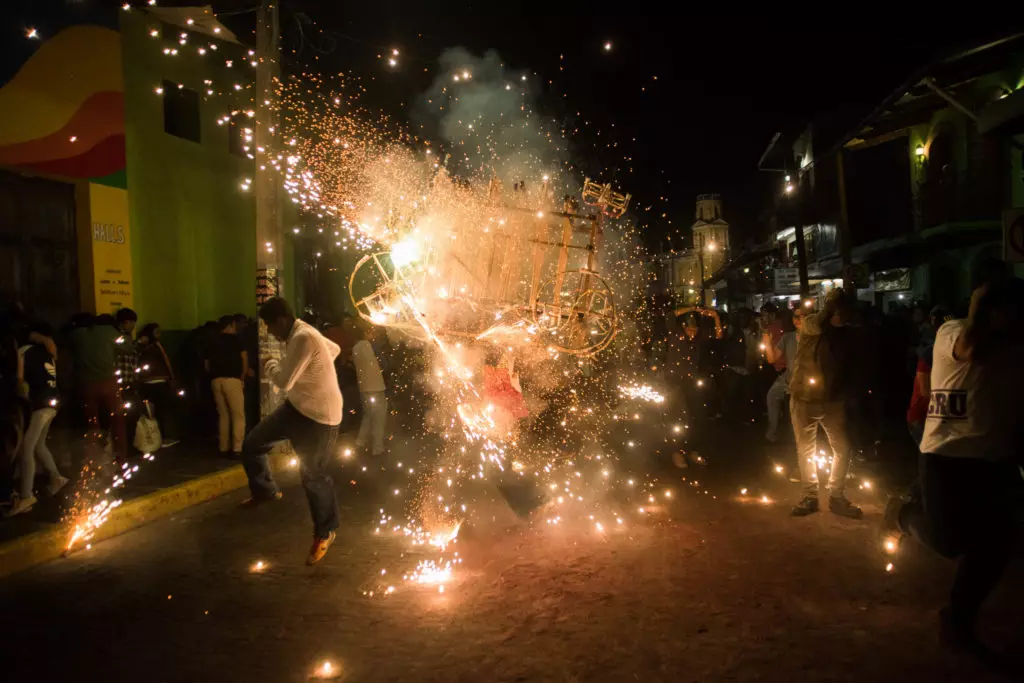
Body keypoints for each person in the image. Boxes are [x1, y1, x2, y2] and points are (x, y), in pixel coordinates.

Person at [881, 277, 1024, 655]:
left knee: (995, 546)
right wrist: (980, 304)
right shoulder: (952, 332)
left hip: (995, 459)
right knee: (949, 542)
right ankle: (904, 515)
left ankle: (958, 621)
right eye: (1003, 310)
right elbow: (972, 349)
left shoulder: (1014, 347)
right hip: (947, 457)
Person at [241, 297, 342, 565]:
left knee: (312, 475)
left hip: (321, 417)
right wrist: (313, 372)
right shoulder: (304, 333)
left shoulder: (303, 337)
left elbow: (284, 382)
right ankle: (265, 491)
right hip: (297, 408)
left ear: (282, 320)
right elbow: (334, 349)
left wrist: (271, 363)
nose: (271, 333)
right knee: (253, 443)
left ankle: (326, 530)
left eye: (270, 326)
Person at [788, 289, 862, 518]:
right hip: (804, 398)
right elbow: (818, 322)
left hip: (832, 401)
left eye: (844, 311)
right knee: (806, 449)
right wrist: (830, 304)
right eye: (838, 311)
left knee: (843, 448)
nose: (841, 316)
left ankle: (836, 496)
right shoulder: (812, 324)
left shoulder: (849, 335)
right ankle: (809, 496)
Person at [6, 322, 68, 515]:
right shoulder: (48, 353)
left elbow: (19, 380)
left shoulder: (24, 351)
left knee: (26, 449)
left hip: (39, 405)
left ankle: (26, 495)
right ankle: (56, 477)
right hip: (53, 403)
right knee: (39, 444)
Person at [70, 314, 127, 462]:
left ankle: (94, 457)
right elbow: (127, 346)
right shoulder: (109, 332)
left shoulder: (76, 335)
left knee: (92, 421)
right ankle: (120, 456)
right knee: (118, 419)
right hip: (109, 381)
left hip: (87, 383)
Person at [906, 305, 947, 446]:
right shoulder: (930, 353)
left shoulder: (934, 349)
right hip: (924, 415)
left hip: (932, 415)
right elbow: (925, 392)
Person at [206, 315, 248, 455]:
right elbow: (244, 359)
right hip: (232, 379)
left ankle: (223, 447)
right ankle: (237, 448)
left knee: (223, 415)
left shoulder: (212, 341)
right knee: (238, 415)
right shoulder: (237, 340)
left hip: (215, 380)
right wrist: (242, 377)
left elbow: (206, 364)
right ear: (231, 325)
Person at [137, 323, 178, 448]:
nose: (160, 334)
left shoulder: (139, 346)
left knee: (150, 411)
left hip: (145, 382)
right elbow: (165, 360)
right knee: (163, 410)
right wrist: (172, 377)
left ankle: (152, 438)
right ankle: (163, 438)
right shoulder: (157, 345)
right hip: (160, 381)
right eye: (157, 332)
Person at [764, 307, 800, 444]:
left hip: (804, 381)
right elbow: (772, 359)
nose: (797, 320)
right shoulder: (788, 337)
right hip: (788, 377)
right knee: (772, 395)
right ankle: (772, 433)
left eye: (801, 316)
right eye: (795, 316)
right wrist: (767, 343)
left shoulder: (814, 337)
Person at [351, 325, 388, 457]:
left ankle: (360, 443)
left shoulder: (354, 348)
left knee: (367, 416)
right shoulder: (370, 345)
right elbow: (383, 363)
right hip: (376, 387)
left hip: (364, 389)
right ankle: (378, 449)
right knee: (379, 418)